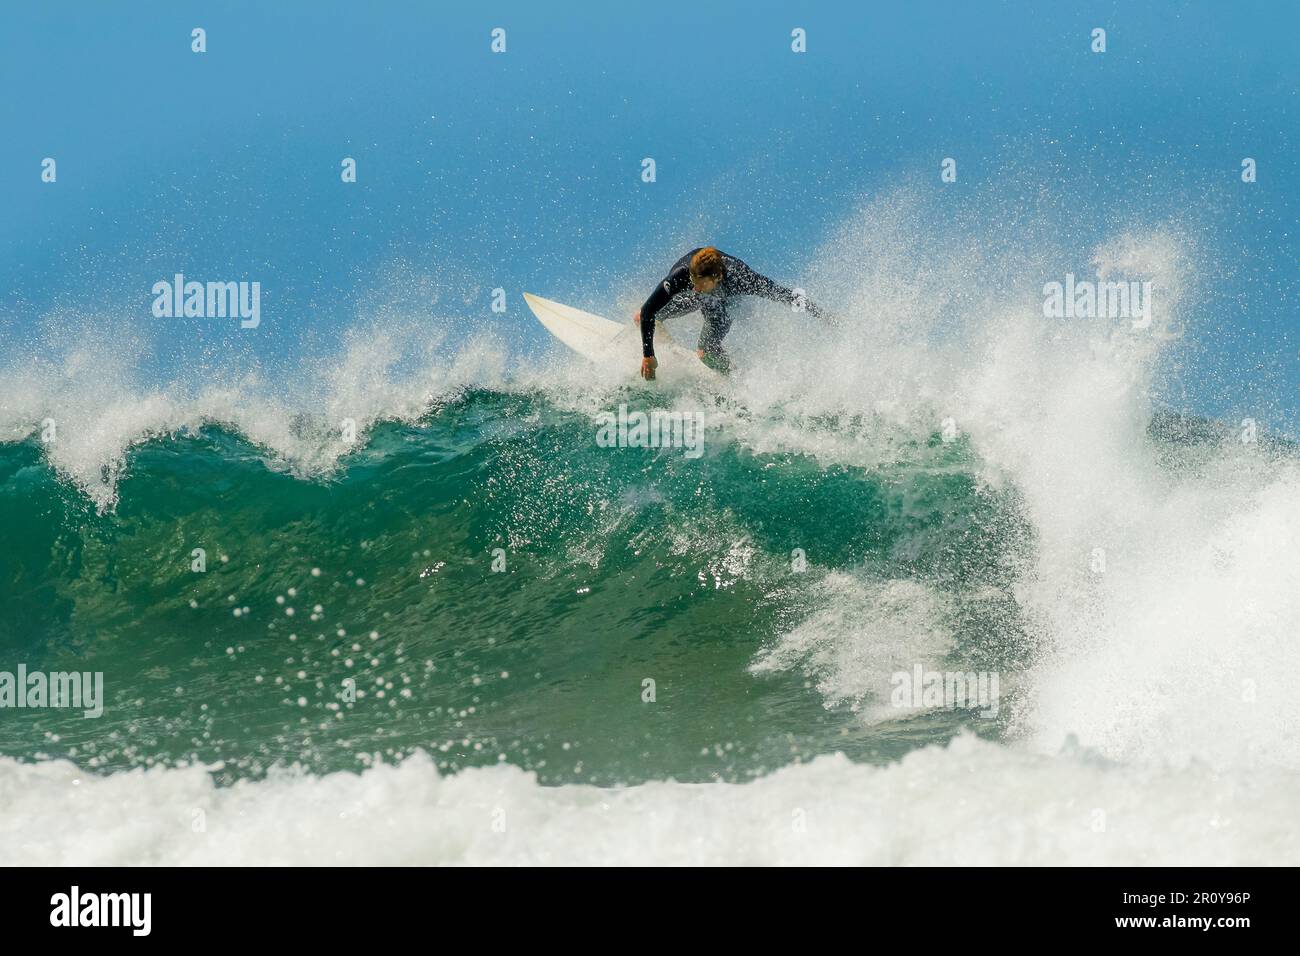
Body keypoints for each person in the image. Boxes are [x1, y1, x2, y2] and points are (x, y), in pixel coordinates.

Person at [634, 246, 829, 379]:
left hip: (724, 303)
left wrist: (823, 316)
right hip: (702, 291)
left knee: (706, 353)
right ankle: (668, 349)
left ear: (717, 277)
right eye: (694, 282)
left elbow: (785, 295)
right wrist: (647, 355)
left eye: (701, 284)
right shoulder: (685, 277)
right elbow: (648, 311)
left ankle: (733, 377)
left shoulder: (741, 279)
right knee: (644, 317)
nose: (696, 288)